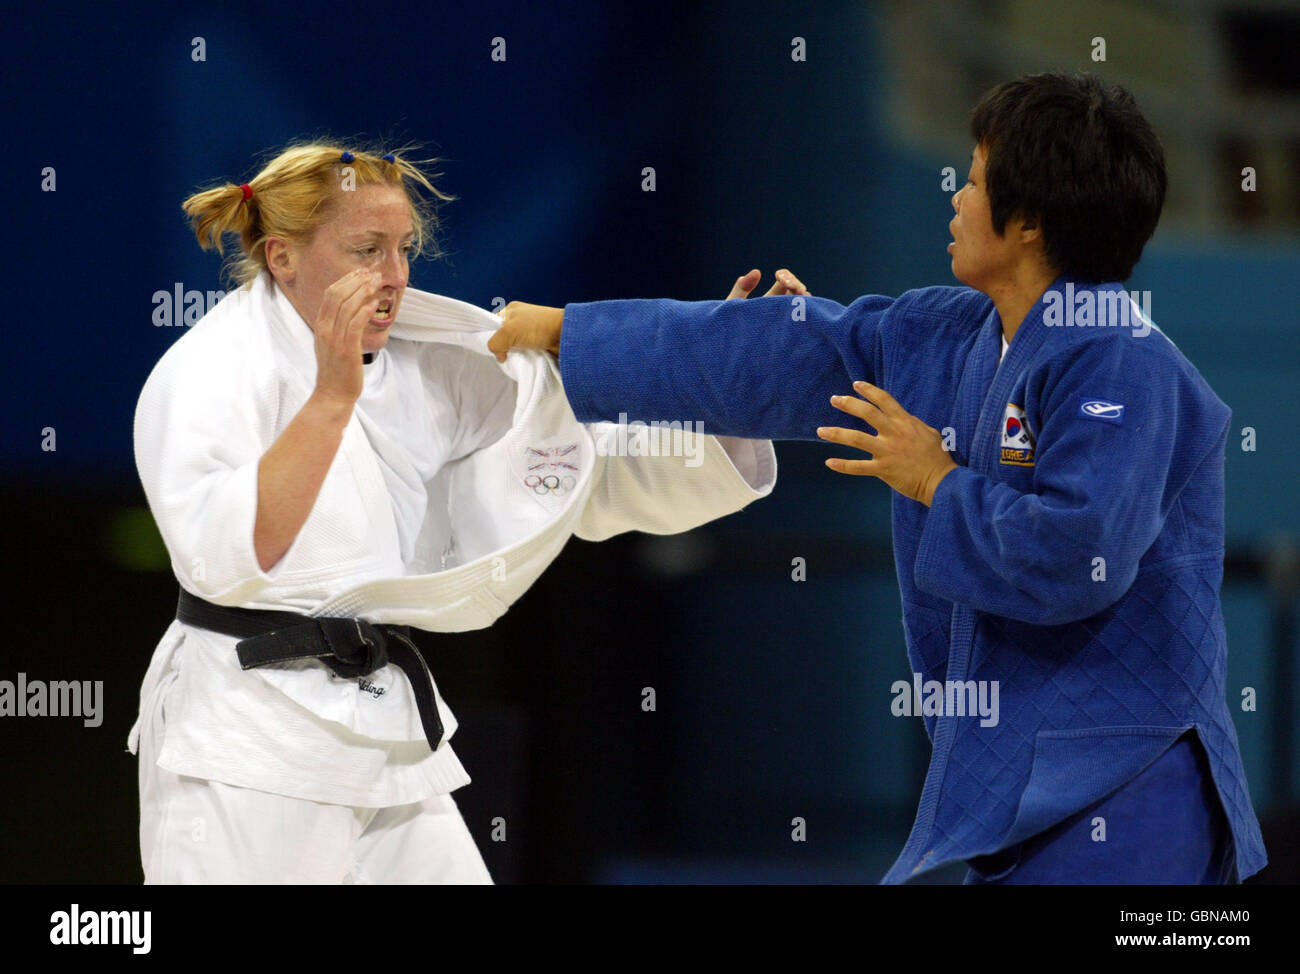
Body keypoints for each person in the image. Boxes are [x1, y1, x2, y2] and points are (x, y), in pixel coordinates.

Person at [489, 73, 1269, 884]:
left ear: (1031, 220)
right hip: (1023, 793)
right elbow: (770, 355)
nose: (957, 201)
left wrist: (937, 478)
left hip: (1131, 787)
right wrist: (565, 333)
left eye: (972, 180)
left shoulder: (1123, 360)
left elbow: (1079, 554)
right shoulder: (946, 335)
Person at [127, 141, 777, 884]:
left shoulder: (428, 360)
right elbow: (225, 555)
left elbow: (573, 466)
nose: (394, 277)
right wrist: (331, 399)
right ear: (281, 257)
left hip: (384, 733)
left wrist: (725, 381)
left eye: (404, 249)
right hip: (245, 739)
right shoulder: (209, 372)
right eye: (365, 250)